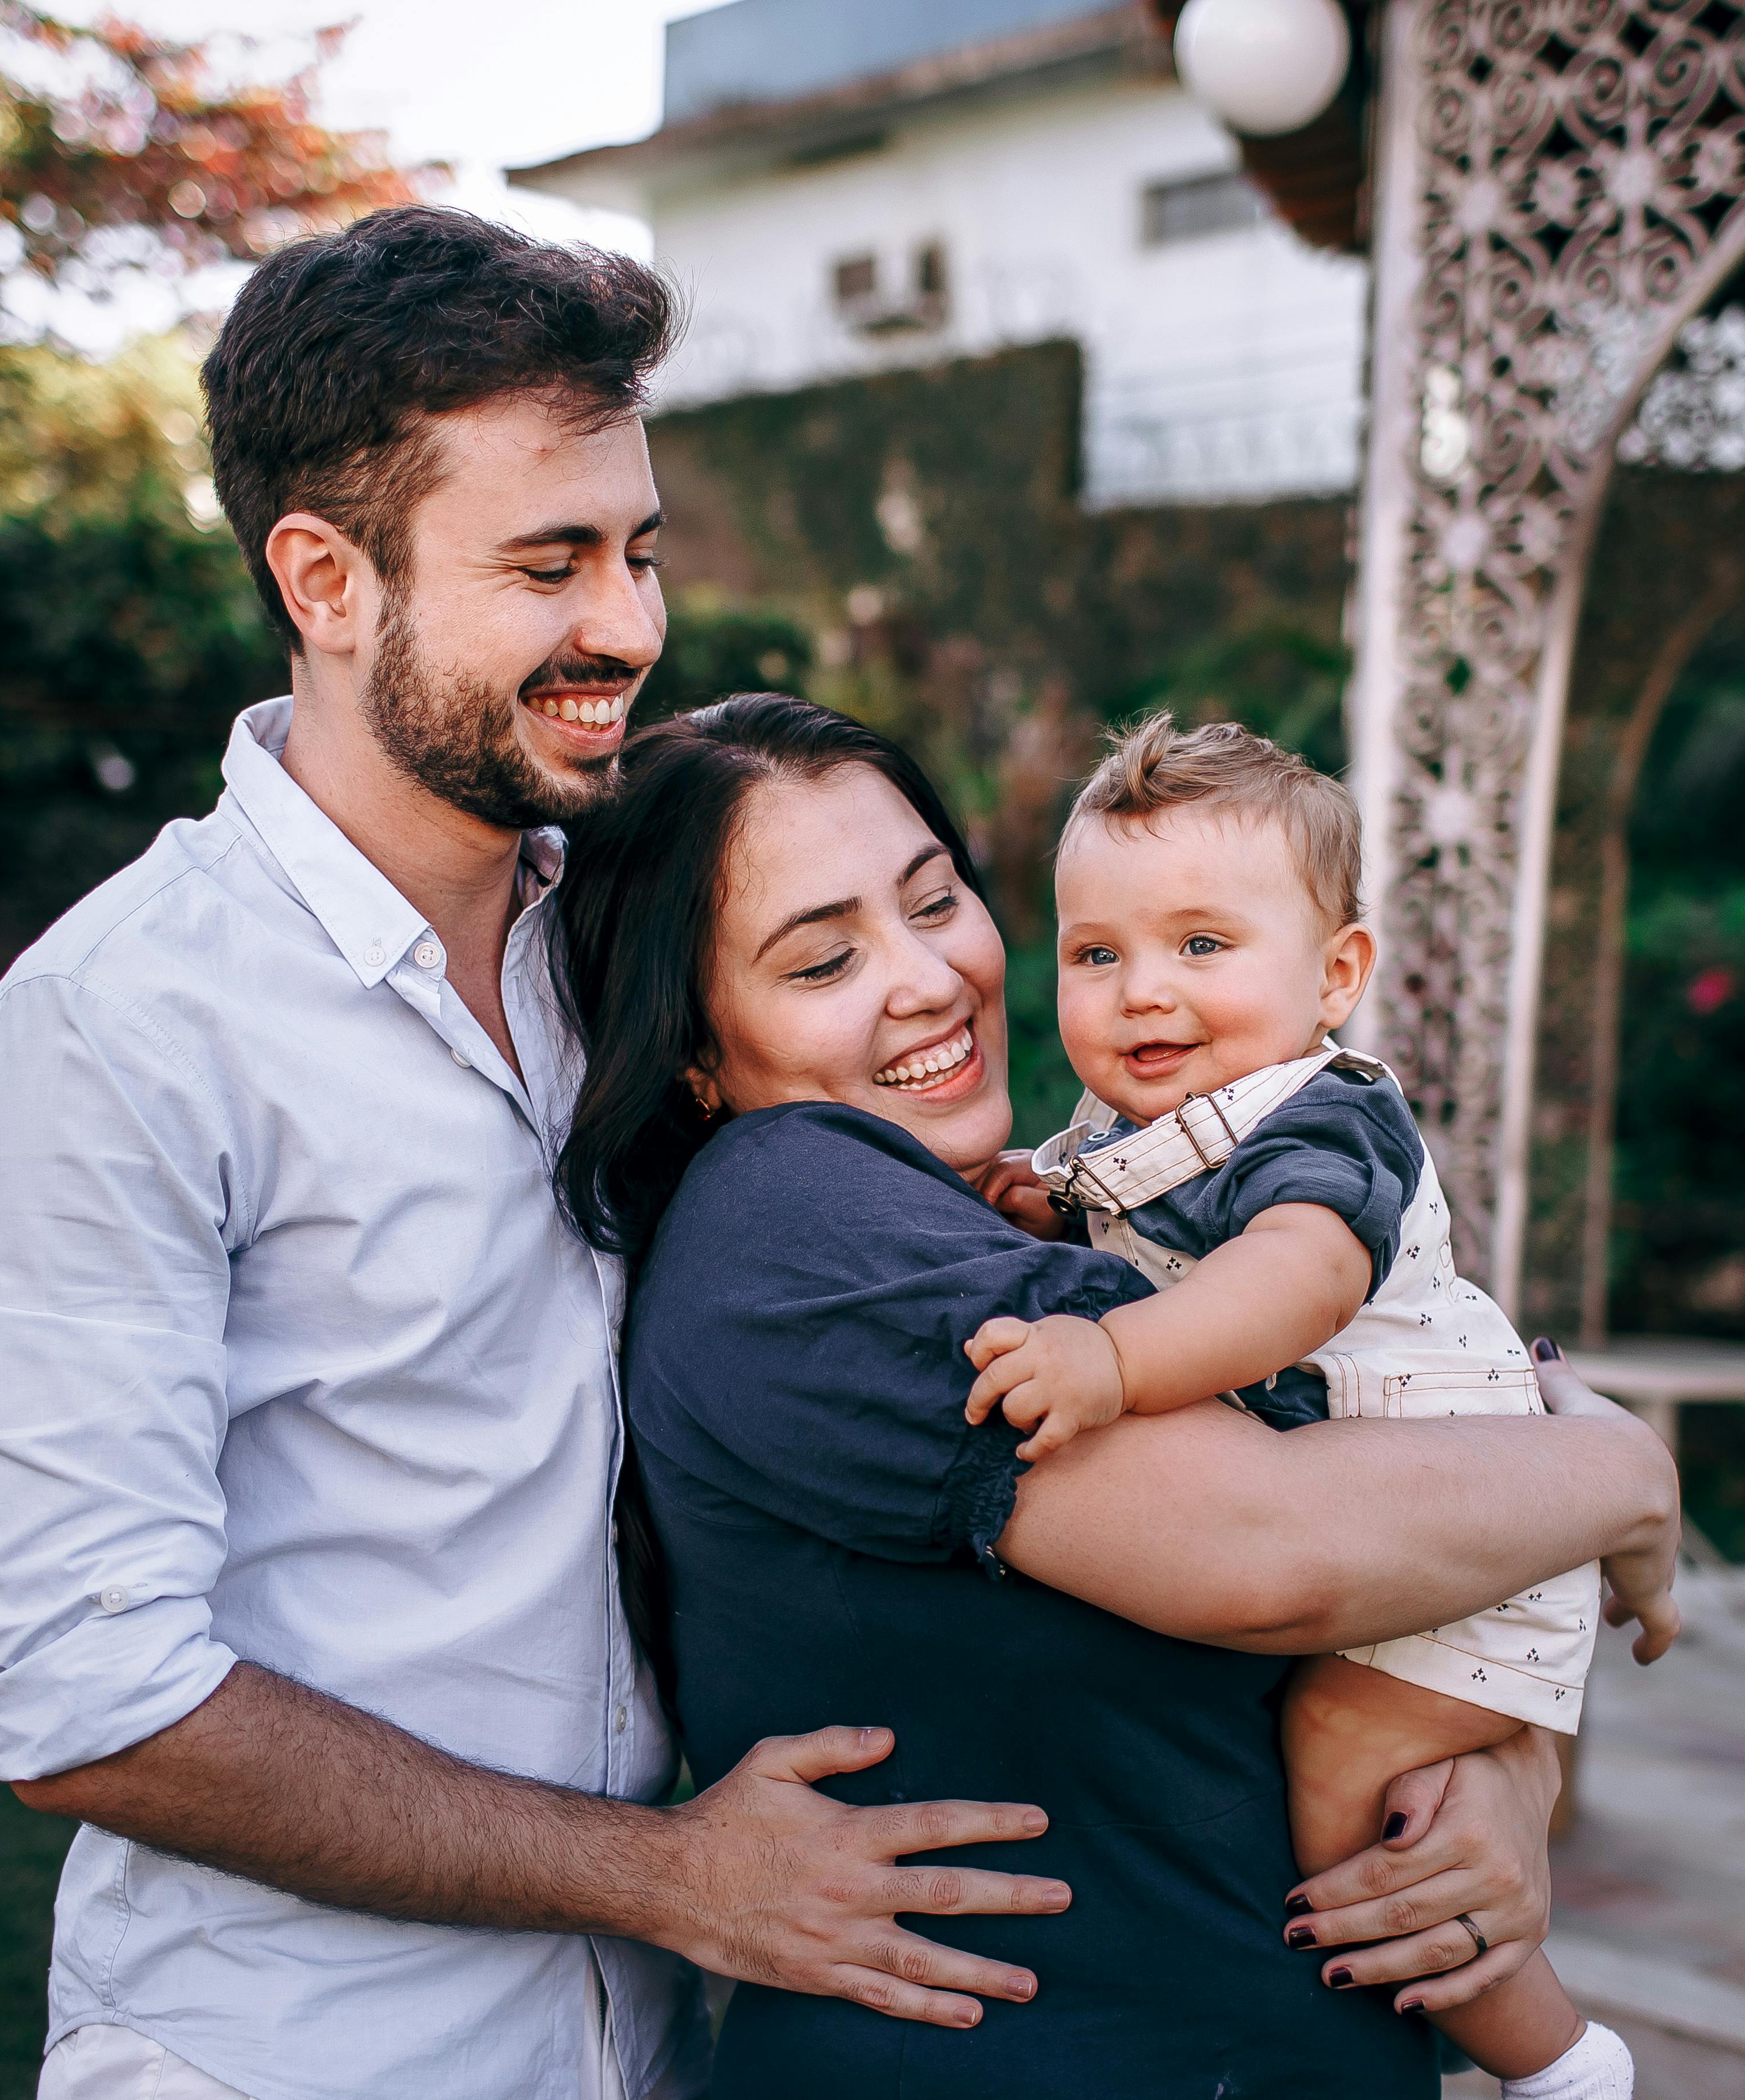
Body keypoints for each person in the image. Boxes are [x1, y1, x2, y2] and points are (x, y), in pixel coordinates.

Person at [0, 208, 1079, 2100]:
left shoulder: (627, 935)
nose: (626, 625)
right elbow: (91, 1698)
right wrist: (670, 1873)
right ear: (326, 577)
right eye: (548, 564)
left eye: (635, 551)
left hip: (658, 2041)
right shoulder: (119, 1026)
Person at [553, 694, 1684, 2097]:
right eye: (824, 959)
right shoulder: (798, 1225)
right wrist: (1625, 1477)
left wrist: (1498, 1777)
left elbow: (1378, 1588)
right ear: (692, 1051)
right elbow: (1281, 1555)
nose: (926, 978)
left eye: (935, 900)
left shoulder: (1059, 1216)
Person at [960, 716, 1641, 2099]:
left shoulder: (1325, 1120)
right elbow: (1144, 1204)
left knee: (1342, 1778)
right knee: (1370, 1789)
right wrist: (1052, 1182)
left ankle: (1557, 2063)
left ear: (1336, 976)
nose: (1145, 992)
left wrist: (1113, 1362)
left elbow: (1295, 1281)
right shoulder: (1143, 1123)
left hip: (1455, 1519)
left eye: (1203, 947)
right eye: (1100, 955)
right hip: (1383, 1513)